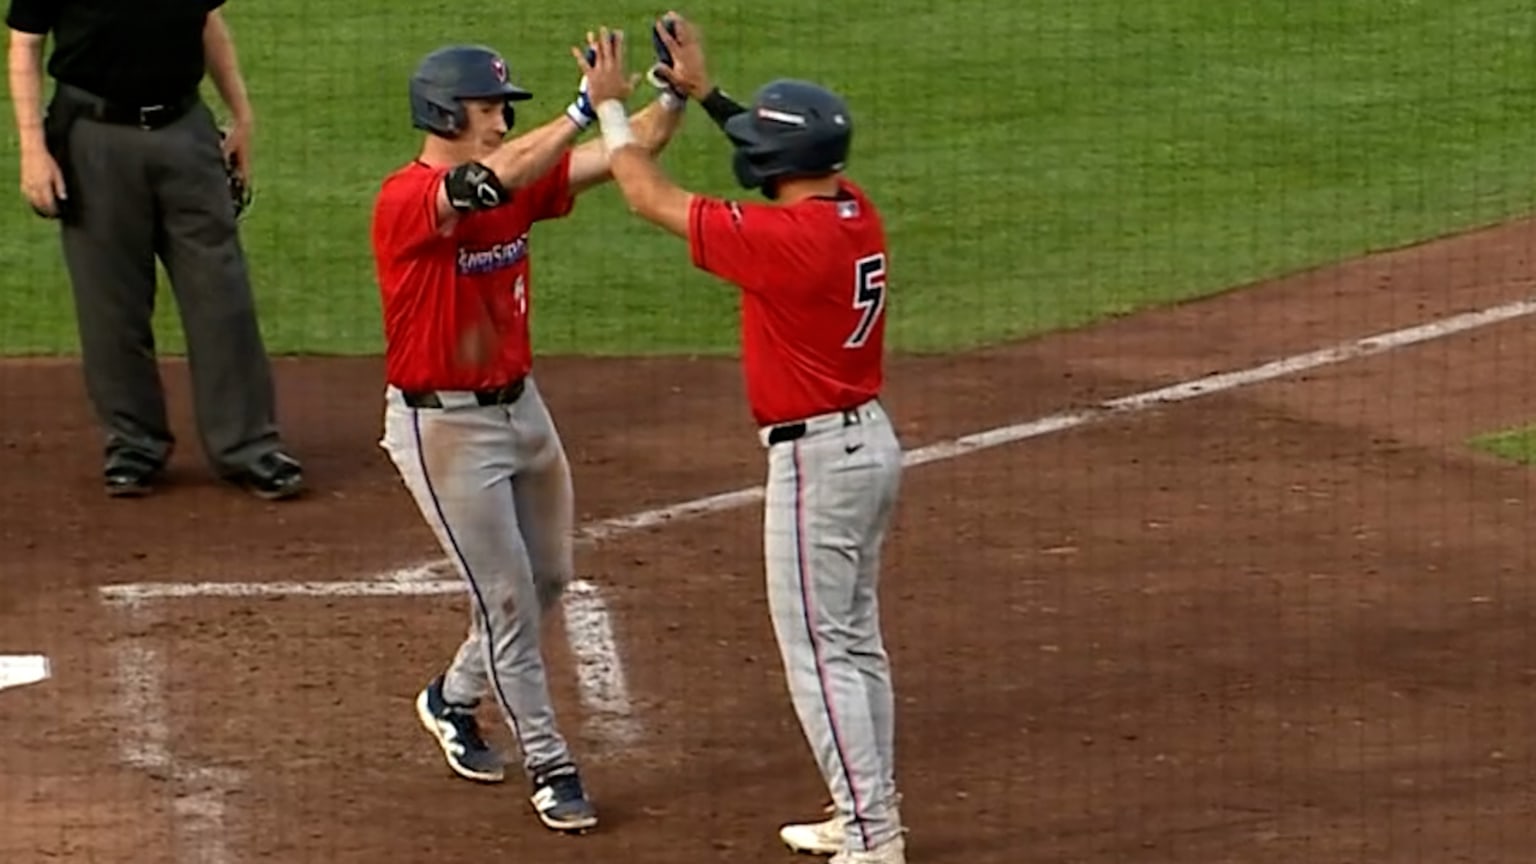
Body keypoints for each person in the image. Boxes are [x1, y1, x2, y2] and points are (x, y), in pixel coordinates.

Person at [582, 14, 908, 864]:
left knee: (819, 656)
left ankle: (874, 836)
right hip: (864, 445)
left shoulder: (784, 243)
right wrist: (705, 95)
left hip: (817, 466)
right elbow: (780, 154)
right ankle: (865, 812)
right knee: (853, 645)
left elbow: (645, 194)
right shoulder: (848, 207)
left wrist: (613, 109)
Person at [370, 27, 689, 835]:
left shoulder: (514, 178)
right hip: (443, 429)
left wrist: (670, 98)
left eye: (506, 110)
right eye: (489, 109)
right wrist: (583, 106)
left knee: (548, 578)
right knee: (509, 599)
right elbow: (482, 183)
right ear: (444, 114)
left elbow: (622, 152)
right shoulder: (408, 198)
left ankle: (452, 696)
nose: (503, 121)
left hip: (523, 409)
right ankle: (551, 763)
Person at [5, 0, 304, 500]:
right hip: (92, 138)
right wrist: (33, 150)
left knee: (221, 293)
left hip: (184, 131)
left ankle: (248, 446)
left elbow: (207, 20)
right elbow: (25, 44)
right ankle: (134, 444)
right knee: (111, 304)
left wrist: (242, 117)